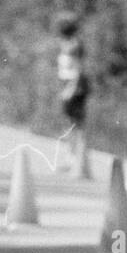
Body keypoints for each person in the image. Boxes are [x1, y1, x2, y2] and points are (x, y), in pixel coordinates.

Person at [56, 17, 90, 168]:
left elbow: (78, 69)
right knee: (72, 121)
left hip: (75, 88)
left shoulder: (74, 46)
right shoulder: (68, 45)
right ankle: (73, 154)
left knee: (73, 122)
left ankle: (74, 156)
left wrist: (71, 89)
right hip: (69, 86)